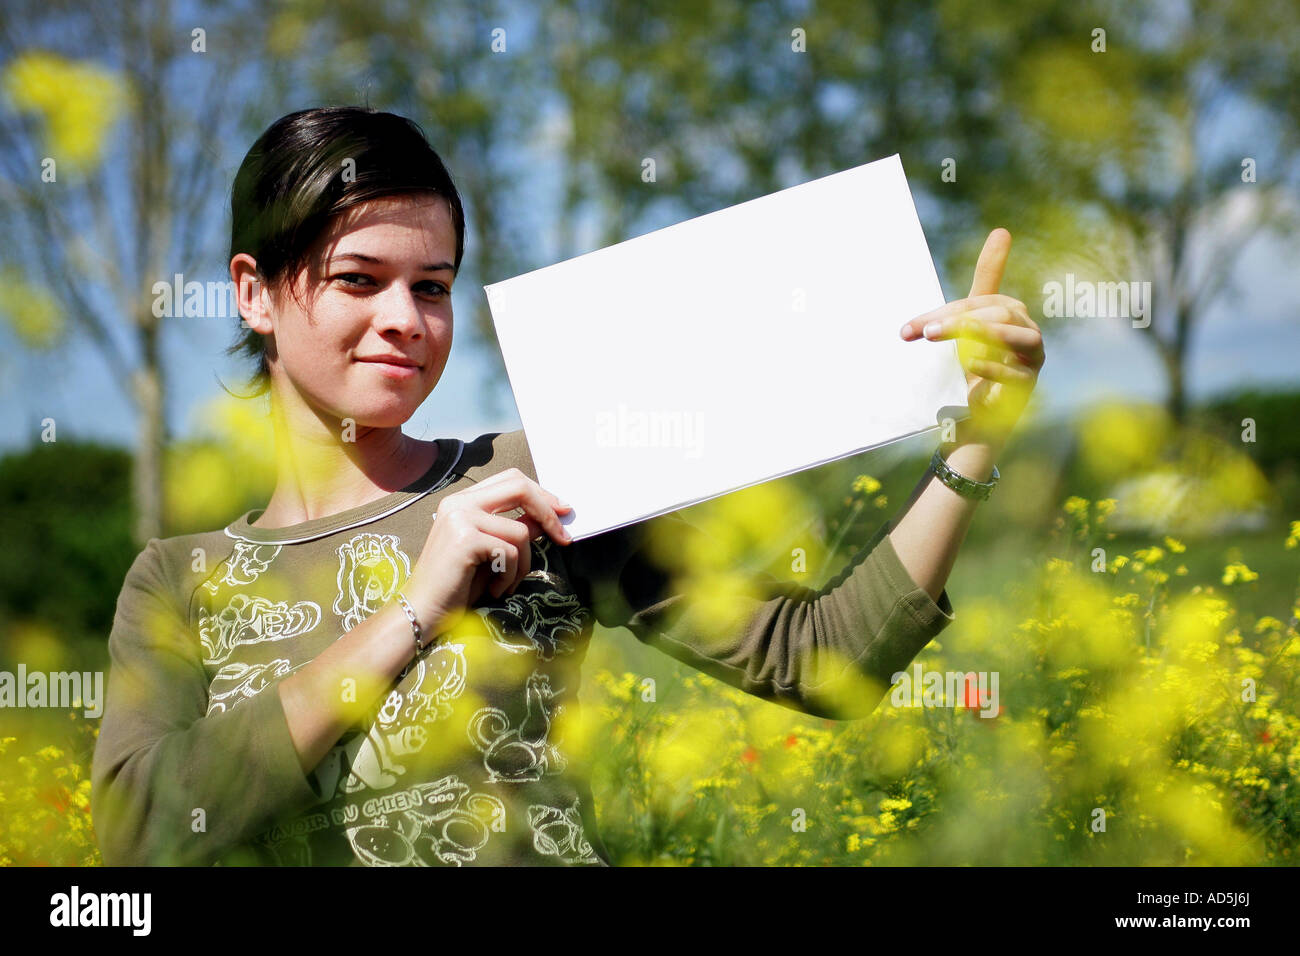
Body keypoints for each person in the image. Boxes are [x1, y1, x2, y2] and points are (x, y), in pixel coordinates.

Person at [90, 106, 1044, 867]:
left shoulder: (532, 478)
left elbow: (823, 660)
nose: (406, 320)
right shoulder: (175, 580)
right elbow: (136, 837)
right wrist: (416, 611)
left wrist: (974, 444)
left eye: (432, 285)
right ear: (254, 292)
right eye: (357, 279)